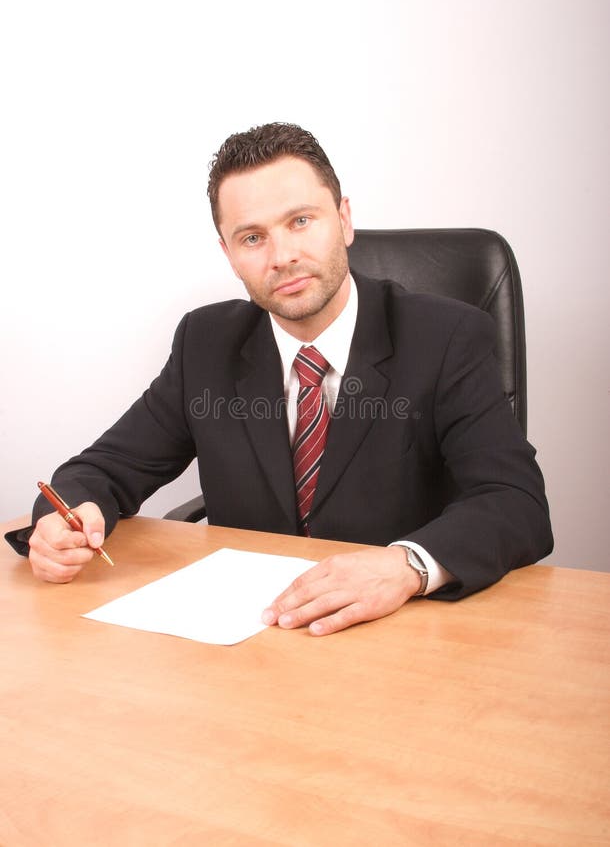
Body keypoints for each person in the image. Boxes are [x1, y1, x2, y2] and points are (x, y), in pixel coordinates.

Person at [6, 122, 553, 635]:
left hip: (405, 633)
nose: (282, 256)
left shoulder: (448, 336)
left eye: (300, 221)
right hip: (251, 636)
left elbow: (515, 502)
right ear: (228, 254)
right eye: (252, 237)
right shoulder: (206, 342)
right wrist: (69, 519)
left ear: (343, 218)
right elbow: (102, 469)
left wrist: (406, 565)